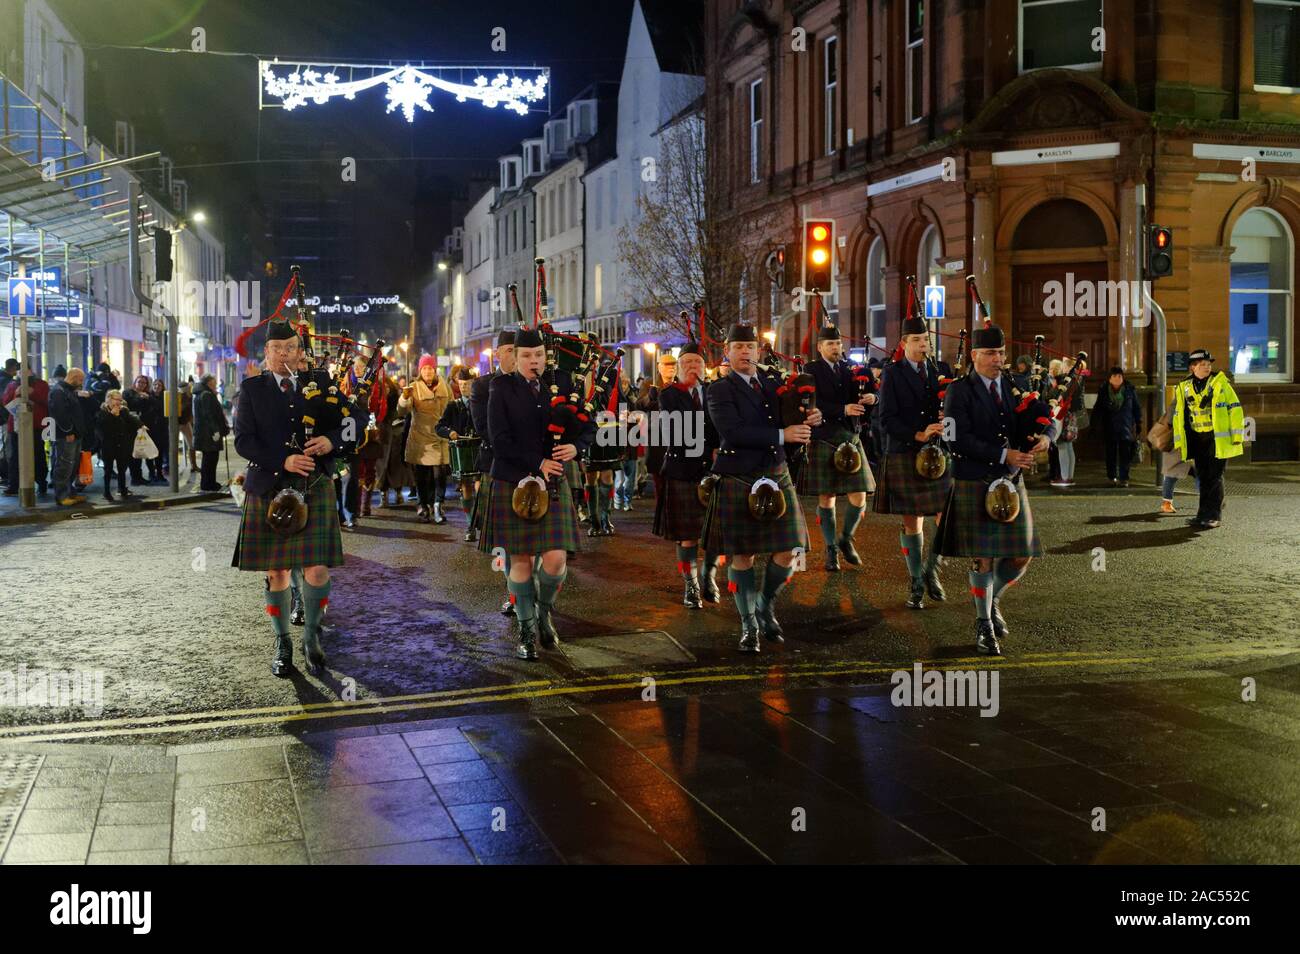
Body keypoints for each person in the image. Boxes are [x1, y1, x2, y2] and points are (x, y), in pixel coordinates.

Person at [232, 318, 354, 678]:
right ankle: (283, 640)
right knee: (277, 570)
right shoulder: (252, 389)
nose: (283, 354)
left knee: (317, 568)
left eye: (290, 348)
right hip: (270, 487)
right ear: (266, 353)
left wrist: (333, 440)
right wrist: (282, 458)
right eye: (276, 349)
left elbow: (353, 422)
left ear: (300, 353)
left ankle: (312, 637)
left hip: (313, 485)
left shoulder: (321, 384)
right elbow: (243, 441)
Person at [935, 323, 1056, 656]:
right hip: (976, 479)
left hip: (1011, 482)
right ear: (974, 355)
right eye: (990, 353)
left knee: (1021, 555)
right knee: (983, 558)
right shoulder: (958, 391)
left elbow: (1045, 415)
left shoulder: (1016, 385)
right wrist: (1004, 454)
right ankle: (983, 624)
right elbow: (953, 438)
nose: (997, 359)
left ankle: (993, 600)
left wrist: (1047, 435)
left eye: (1001, 352)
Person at [701, 322, 821, 652]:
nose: (745, 352)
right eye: (738, 347)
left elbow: (790, 419)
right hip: (740, 476)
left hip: (776, 472)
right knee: (743, 556)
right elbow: (734, 432)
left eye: (750, 347)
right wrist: (783, 435)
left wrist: (807, 419)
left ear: (758, 351)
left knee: (789, 549)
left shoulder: (772, 385)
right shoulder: (719, 390)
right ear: (726, 352)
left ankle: (765, 603)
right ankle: (748, 623)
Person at [478, 326, 593, 659]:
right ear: (514, 357)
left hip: (554, 482)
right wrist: (538, 461)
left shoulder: (563, 385)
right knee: (522, 562)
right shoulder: (500, 388)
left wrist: (576, 446)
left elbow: (589, 424)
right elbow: (499, 441)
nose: (534, 361)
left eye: (539, 355)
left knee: (556, 560)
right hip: (514, 480)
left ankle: (544, 610)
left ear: (547, 356)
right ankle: (527, 629)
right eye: (527, 355)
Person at [874, 315, 955, 609]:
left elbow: (952, 411)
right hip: (905, 451)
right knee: (912, 521)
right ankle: (916, 581)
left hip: (937, 454)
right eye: (918, 340)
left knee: (946, 516)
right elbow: (885, 420)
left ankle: (931, 569)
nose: (924, 345)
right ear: (905, 343)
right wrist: (918, 434)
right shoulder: (892, 374)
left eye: (927, 340)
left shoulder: (940, 371)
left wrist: (949, 423)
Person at [799, 322, 877, 572]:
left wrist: (873, 397)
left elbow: (866, 396)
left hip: (850, 437)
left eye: (838, 343)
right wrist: (842, 409)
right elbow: (812, 402)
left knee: (859, 496)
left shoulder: (851, 369)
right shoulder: (810, 370)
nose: (836, 347)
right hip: (824, 436)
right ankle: (831, 549)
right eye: (831, 344)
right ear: (820, 346)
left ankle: (846, 538)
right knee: (828, 496)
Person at [653, 340, 721, 607]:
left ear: (706, 367)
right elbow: (681, 430)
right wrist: (712, 445)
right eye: (687, 363)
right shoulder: (669, 395)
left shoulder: (715, 392)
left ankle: (710, 576)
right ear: (678, 368)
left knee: (716, 532)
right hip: (682, 470)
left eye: (698, 363)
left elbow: (724, 423)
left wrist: (718, 446)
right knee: (687, 535)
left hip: (714, 471)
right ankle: (690, 584)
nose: (693, 367)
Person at [1171, 348, 1243, 529]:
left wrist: (1237, 435)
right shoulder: (1183, 387)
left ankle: (1214, 515)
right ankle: (1202, 515)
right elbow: (1178, 415)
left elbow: (1235, 409)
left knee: (1215, 476)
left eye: (1208, 364)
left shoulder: (1221, 384)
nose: (1207, 367)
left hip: (1216, 439)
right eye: (1202, 364)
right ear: (1192, 367)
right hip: (1196, 439)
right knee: (1203, 477)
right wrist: (1180, 442)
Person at [470, 330, 516, 604]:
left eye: (516, 350)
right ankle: (510, 588)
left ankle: (519, 588)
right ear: (497, 353)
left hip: (530, 466)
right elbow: (483, 428)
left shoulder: (536, 384)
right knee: (504, 537)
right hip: (496, 463)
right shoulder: (482, 385)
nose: (513, 355)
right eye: (508, 350)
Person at [400, 355, 452, 524]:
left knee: (440, 474)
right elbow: (402, 411)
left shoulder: (445, 387)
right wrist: (405, 397)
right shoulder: (413, 387)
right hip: (421, 438)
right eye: (424, 368)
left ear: (434, 369)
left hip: (440, 437)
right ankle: (423, 505)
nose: (428, 371)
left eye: (430, 368)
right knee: (422, 476)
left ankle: (438, 504)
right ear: (420, 371)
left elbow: (452, 408)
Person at [435, 365, 477, 534]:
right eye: (461, 384)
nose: (463, 387)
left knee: (480, 486)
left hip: (480, 449)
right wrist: (450, 432)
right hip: (463, 454)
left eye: (467, 384)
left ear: (473, 383)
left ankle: (477, 515)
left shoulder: (482, 403)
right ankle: (470, 523)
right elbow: (439, 427)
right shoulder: (453, 406)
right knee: (466, 486)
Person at [2, 371, 50, 496]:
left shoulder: (41, 384)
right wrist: (15, 394)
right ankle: (14, 485)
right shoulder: (12, 385)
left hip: (36, 425)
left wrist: (32, 393)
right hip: (16, 426)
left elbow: (47, 400)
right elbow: (5, 402)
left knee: (38, 455)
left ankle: (41, 483)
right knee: (15, 457)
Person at [1093, 365, 1141, 487]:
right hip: (1109, 426)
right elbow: (1098, 408)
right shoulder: (1104, 390)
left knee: (1125, 454)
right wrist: (1095, 424)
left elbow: (1136, 407)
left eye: (1120, 376)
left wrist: (1138, 422)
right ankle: (1111, 476)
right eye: (1114, 376)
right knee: (1111, 453)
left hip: (1125, 425)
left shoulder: (1129, 389)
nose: (1118, 378)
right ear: (1109, 378)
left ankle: (1124, 478)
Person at [48, 367, 89, 505]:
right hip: (66, 436)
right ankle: (61, 496)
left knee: (72, 465)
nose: (81, 382)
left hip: (75, 435)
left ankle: (70, 492)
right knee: (64, 465)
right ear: (74, 377)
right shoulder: (58, 391)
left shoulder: (68, 391)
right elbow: (60, 414)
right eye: (81, 380)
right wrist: (68, 432)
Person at [94, 389, 143, 502]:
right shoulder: (102, 412)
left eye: (120, 400)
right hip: (108, 445)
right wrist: (112, 416)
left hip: (122, 443)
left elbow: (131, 419)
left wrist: (141, 425)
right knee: (108, 469)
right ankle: (106, 492)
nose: (119, 402)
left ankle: (122, 489)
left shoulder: (123, 411)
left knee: (122, 468)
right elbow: (102, 428)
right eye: (117, 400)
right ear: (109, 399)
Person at [375, 374, 414, 509]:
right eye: (382, 387)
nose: (385, 389)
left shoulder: (395, 399)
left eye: (387, 387)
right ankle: (383, 495)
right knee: (381, 468)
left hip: (396, 435)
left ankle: (398, 492)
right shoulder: (376, 401)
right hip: (382, 436)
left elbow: (401, 413)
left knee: (396, 467)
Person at [193, 374, 229, 492]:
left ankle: (209, 482)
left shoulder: (202, 394)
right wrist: (215, 431)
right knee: (210, 459)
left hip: (204, 433)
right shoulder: (206, 395)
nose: (215, 385)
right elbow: (209, 415)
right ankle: (208, 484)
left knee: (209, 459)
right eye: (214, 383)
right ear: (209, 383)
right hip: (208, 434)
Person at [178, 376, 197, 477]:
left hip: (186, 423)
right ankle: (171, 466)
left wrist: (191, 419)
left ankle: (193, 465)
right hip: (176, 423)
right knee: (173, 446)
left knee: (192, 445)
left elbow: (191, 410)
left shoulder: (190, 396)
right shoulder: (176, 396)